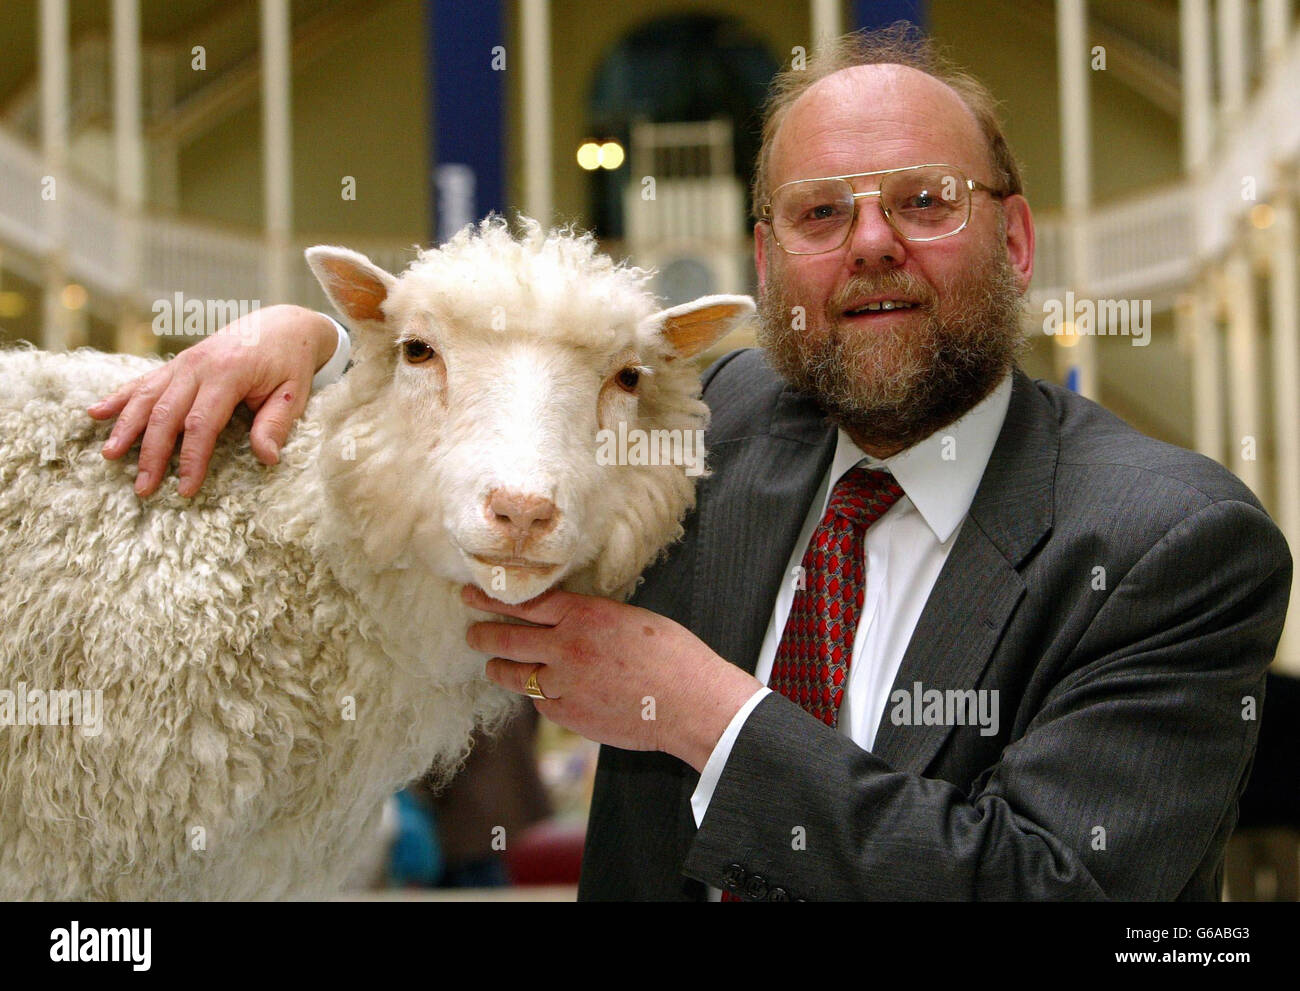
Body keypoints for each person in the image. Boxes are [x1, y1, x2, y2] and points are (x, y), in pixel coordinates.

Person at [88, 26, 1291, 901]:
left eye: (924, 200)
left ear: (1015, 237)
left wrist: (709, 714)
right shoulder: (701, 424)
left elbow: (1051, 891)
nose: (870, 242)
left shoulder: (1169, 543)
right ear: (766, 266)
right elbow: (499, 389)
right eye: (821, 214)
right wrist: (315, 340)